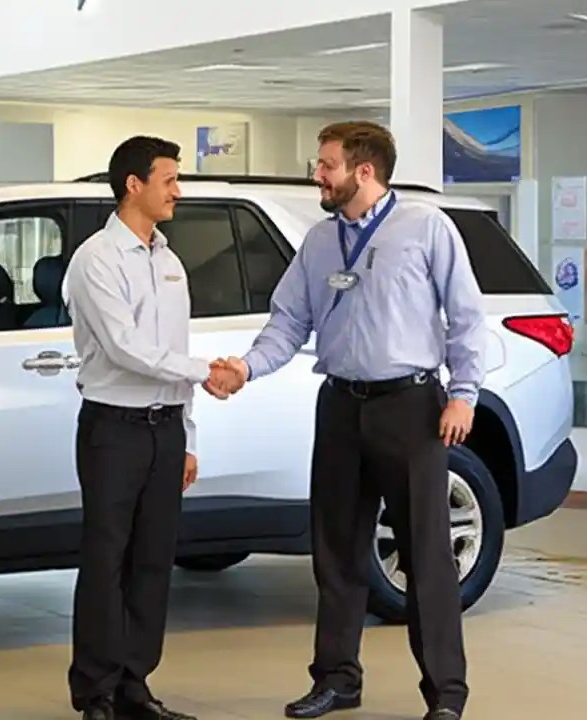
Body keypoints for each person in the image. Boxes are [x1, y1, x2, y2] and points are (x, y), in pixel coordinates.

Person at [208, 121, 485, 720]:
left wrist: (464, 394)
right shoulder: (319, 242)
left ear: (364, 171)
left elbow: (466, 316)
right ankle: (337, 680)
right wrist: (246, 368)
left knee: (425, 555)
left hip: (410, 408)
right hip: (339, 406)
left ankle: (446, 693)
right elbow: (288, 322)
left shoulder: (425, 227)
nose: (318, 175)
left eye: (326, 165)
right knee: (336, 550)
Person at [62, 135, 236, 720]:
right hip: (114, 430)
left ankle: (134, 687)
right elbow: (125, 348)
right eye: (169, 180)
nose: (177, 191)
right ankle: (96, 692)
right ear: (133, 185)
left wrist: (189, 435)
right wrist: (206, 373)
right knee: (106, 562)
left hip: (165, 430)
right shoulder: (96, 260)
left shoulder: (169, 261)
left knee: (154, 562)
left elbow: (172, 351)